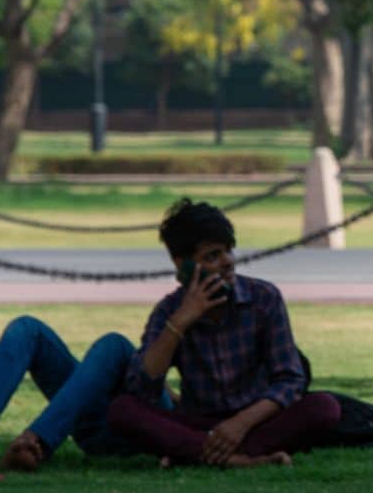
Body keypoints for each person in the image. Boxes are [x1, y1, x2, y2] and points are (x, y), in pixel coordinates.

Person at [105, 199, 342, 466]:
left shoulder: (263, 298)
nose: (227, 262)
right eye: (212, 256)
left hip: (256, 418)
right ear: (182, 264)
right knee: (121, 410)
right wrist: (181, 322)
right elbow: (143, 387)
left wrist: (239, 424)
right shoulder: (169, 311)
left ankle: (195, 454)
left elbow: (290, 380)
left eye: (228, 251)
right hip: (199, 422)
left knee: (324, 407)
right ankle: (238, 459)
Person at [0, 316, 156, 473]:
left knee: (115, 345)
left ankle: (34, 444)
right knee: (27, 329)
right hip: (109, 417)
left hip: (162, 426)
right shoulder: (177, 305)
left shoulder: (188, 309)